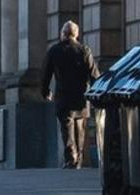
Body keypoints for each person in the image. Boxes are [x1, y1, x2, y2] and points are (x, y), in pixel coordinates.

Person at [42, 20, 100, 168]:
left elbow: (46, 74)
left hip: (63, 95)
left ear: (63, 34)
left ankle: (71, 158)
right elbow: (94, 74)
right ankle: (78, 158)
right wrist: (97, 92)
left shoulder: (54, 51)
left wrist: (45, 91)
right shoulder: (84, 50)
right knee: (80, 127)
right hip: (81, 96)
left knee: (66, 127)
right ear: (77, 34)